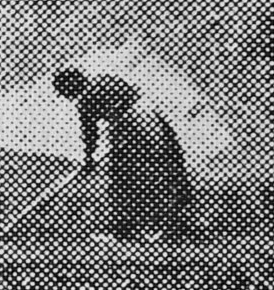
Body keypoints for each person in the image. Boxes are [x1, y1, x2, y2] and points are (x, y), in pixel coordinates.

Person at [51, 66, 191, 242]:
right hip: (155, 123)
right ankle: (176, 224)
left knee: (123, 181)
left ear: (71, 86)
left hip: (133, 130)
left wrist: (89, 159)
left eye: (65, 92)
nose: (67, 97)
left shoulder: (87, 98)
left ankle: (127, 229)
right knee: (166, 175)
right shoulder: (107, 79)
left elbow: (90, 132)